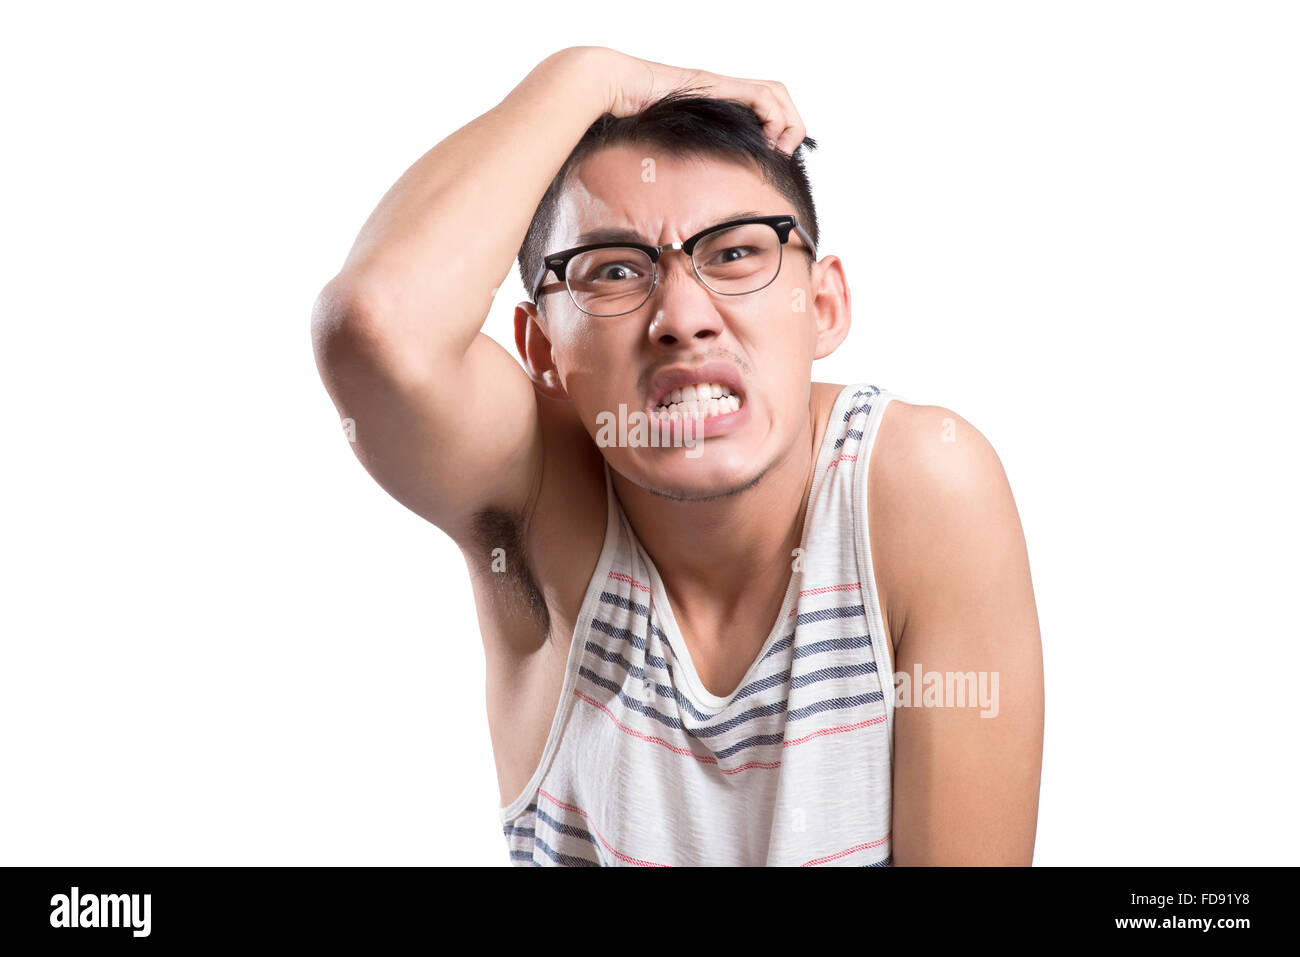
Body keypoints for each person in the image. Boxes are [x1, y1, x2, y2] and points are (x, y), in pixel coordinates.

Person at [311, 46, 1044, 866]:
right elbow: (377, 324)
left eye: (734, 252)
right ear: (542, 349)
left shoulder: (919, 492)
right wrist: (590, 75)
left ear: (826, 305)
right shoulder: (544, 503)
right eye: (615, 271)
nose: (684, 315)